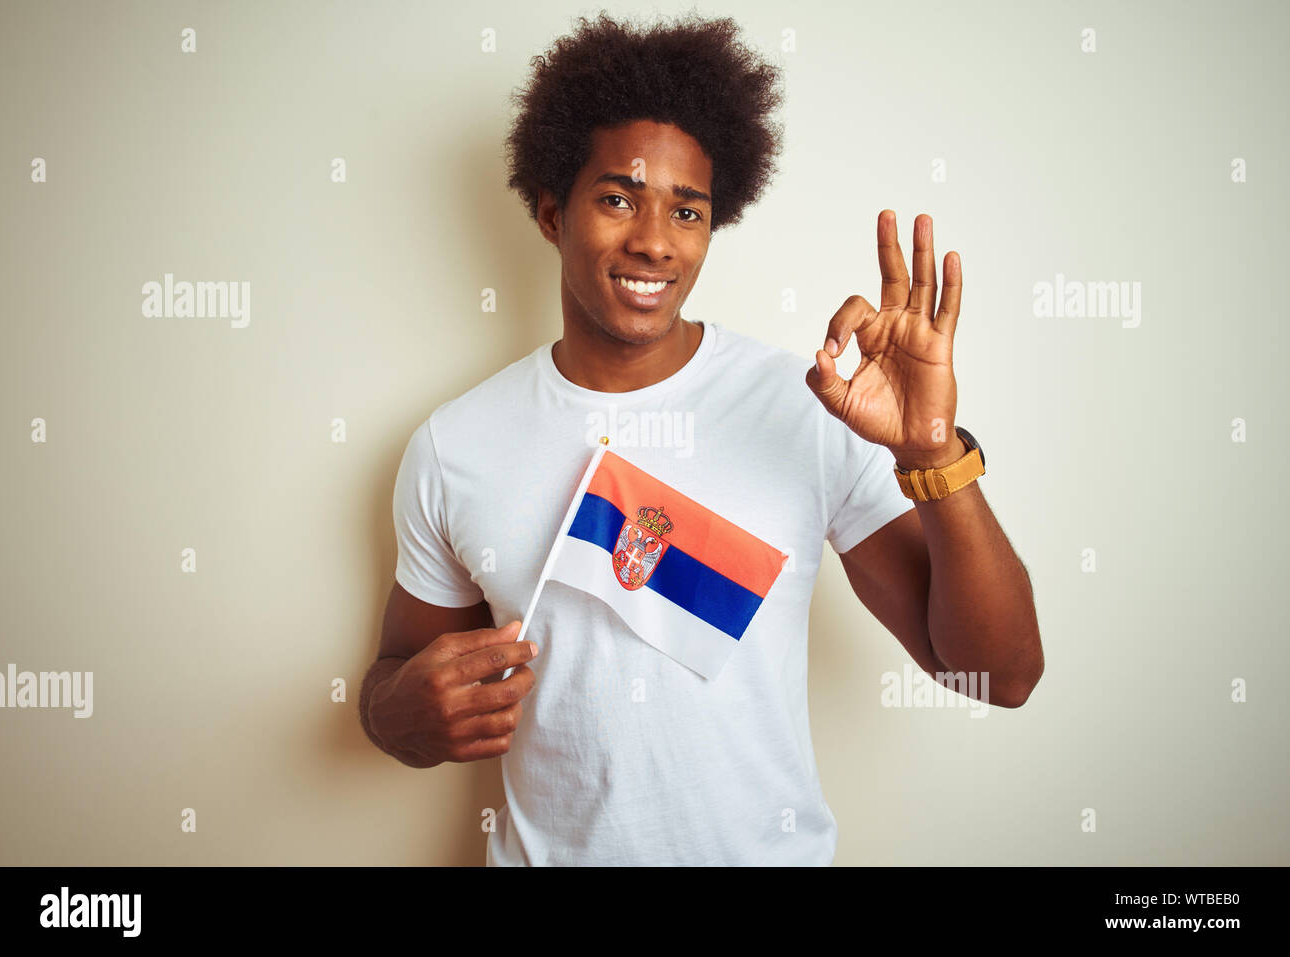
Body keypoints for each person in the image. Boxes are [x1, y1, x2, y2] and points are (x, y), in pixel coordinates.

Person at [359, 12, 1043, 866]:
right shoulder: (454, 445)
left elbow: (999, 674)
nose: (653, 240)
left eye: (687, 210)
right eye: (617, 198)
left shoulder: (803, 408)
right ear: (548, 212)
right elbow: (394, 678)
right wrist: (393, 717)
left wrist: (934, 452)